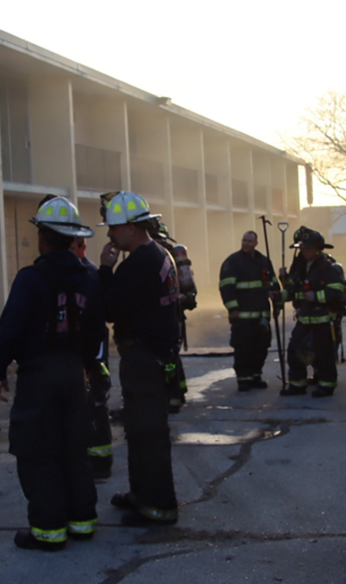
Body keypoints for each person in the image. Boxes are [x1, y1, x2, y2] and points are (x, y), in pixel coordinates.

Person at [0, 196, 104, 552]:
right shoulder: (89, 277)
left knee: (38, 450)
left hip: (38, 374)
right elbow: (97, 329)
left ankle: (48, 530)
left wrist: (0, 370)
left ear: (42, 235)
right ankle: (82, 522)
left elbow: (10, 327)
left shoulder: (30, 278)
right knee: (75, 448)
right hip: (75, 372)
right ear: (72, 237)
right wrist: (87, 367)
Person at [97, 191, 181, 526]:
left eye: (113, 228)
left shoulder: (136, 265)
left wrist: (105, 269)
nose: (109, 235)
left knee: (148, 434)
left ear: (131, 229)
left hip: (144, 356)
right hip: (157, 355)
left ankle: (159, 507)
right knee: (139, 429)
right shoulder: (160, 254)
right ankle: (140, 495)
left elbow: (108, 308)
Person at [274, 226, 346, 397]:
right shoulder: (299, 267)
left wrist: (315, 296)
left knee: (324, 355)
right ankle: (297, 385)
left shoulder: (328, 267)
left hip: (323, 320)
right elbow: (292, 290)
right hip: (304, 319)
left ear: (317, 249)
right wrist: (280, 296)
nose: (304, 251)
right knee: (294, 352)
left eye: (307, 248)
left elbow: (336, 292)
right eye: (302, 248)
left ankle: (326, 385)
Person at [73, 236, 113, 480]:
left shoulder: (90, 275)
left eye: (72, 247)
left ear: (82, 247)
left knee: (96, 405)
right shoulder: (67, 273)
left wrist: (95, 364)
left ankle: (101, 464)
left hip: (92, 355)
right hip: (73, 356)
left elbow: (100, 323)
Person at [219, 231, 276, 391]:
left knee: (261, 348)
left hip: (261, 316)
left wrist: (276, 300)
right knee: (243, 349)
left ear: (256, 243)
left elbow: (273, 283)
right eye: (244, 240)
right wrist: (233, 308)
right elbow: (226, 287)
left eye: (250, 241)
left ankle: (255, 376)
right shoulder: (233, 262)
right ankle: (243, 379)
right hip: (241, 318)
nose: (246, 243)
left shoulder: (264, 262)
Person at [150, 220, 196, 413]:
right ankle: (179, 391)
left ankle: (173, 396)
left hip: (165, 312)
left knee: (166, 355)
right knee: (173, 353)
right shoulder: (171, 254)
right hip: (175, 310)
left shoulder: (156, 255)